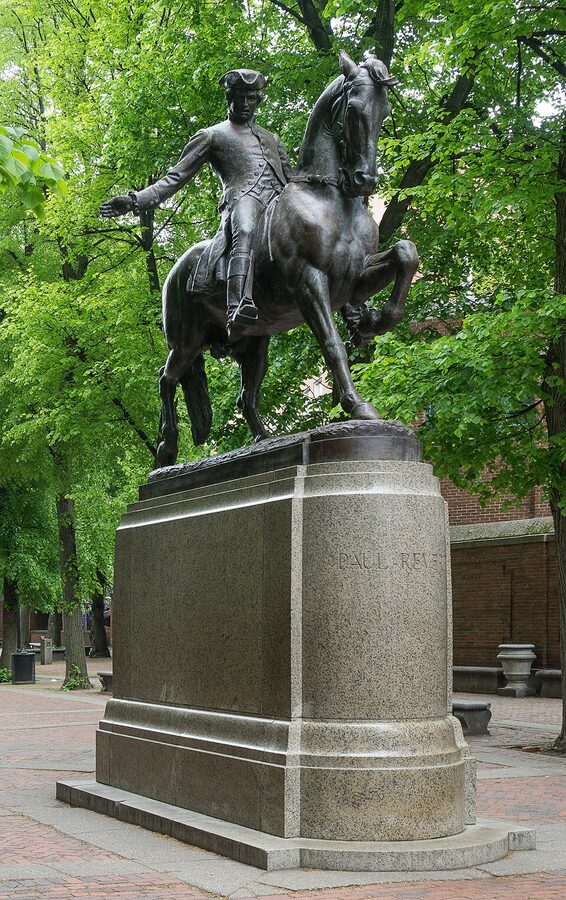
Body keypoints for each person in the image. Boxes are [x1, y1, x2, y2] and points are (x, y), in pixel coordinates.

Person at [100, 68, 293, 338]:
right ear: (229, 98)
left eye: (251, 98)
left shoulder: (272, 138)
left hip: (280, 202)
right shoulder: (212, 136)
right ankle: (238, 304)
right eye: (240, 98)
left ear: (258, 100)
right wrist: (135, 201)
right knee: (246, 230)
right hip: (243, 198)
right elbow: (175, 177)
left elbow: (291, 178)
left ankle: (352, 307)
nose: (246, 104)